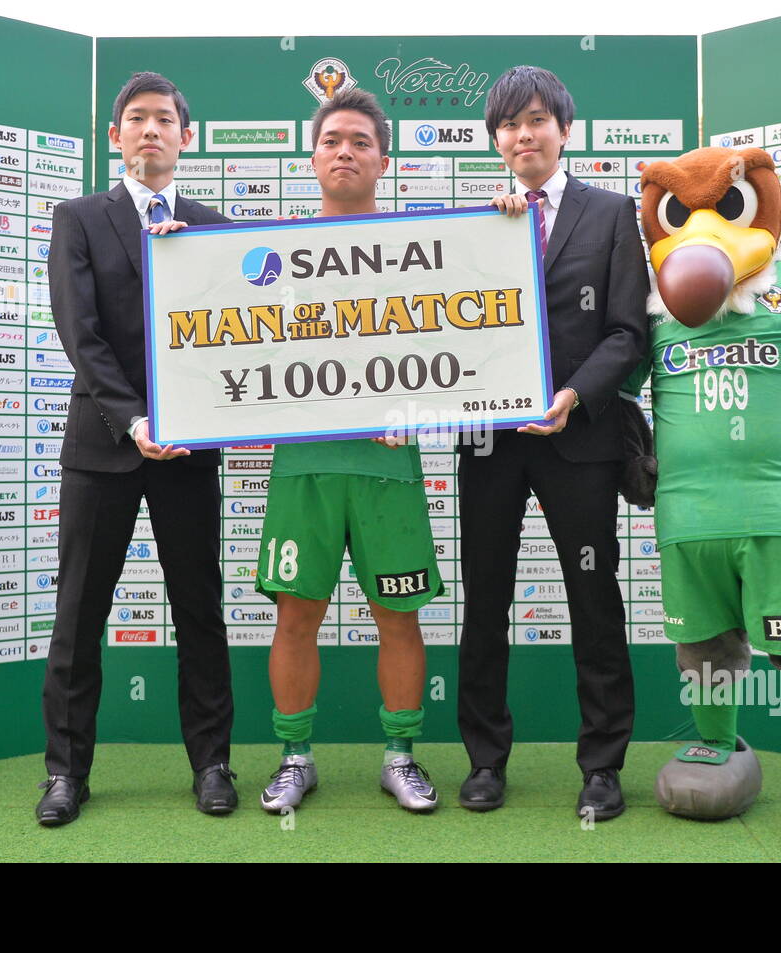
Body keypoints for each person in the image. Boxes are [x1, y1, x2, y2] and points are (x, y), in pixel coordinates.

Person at [36, 72, 235, 826]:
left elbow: (239, 342)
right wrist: (134, 418)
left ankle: (213, 763)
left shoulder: (217, 228)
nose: (150, 129)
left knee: (199, 611)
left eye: (164, 120)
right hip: (103, 447)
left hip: (190, 450)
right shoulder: (79, 219)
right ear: (114, 136)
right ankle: (65, 771)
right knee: (79, 613)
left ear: (187, 136)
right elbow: (79, 334)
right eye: (135, 119)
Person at [457, 66, 649, 819]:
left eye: (536, 120)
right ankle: (484, 760)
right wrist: (491, 239)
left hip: (584, 441)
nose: (522, 134)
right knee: (486, 601)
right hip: (488, 443)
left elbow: (628, 330)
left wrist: (573, 396)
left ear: (564, 130)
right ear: (496, 140)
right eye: (508, 124)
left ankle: (602, 765)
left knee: (593, 600)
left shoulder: (610, 214)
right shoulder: (476, 225)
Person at [255, 88, 443, 814]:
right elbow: (221, 340)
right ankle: (295, 755)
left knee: (398, 615)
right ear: (312, 156)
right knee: (295, 615)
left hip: (388, 461)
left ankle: (400, 754)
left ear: (383, 160)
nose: (344, 150)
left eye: (360, 140)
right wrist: (180, 253)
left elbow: (457, 348)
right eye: (332, 138)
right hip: (302, 461)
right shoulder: (270, 254)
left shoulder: (421, 254)